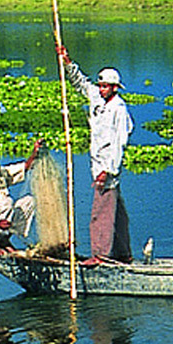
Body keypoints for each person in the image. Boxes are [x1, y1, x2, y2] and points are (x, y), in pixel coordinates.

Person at [58, 46, 134, 265]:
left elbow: (119, 143)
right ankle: (122, 252)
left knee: (100, 213)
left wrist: (107, 171)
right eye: (100, 85)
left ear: (114, 88)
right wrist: (67, 61)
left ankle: (100, 255)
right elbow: (80, 83)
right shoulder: (97, 98)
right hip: (98, 164)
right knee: (115, 211)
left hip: (107, 168)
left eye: (105, 86)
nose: (101, 89)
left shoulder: (119, 109)